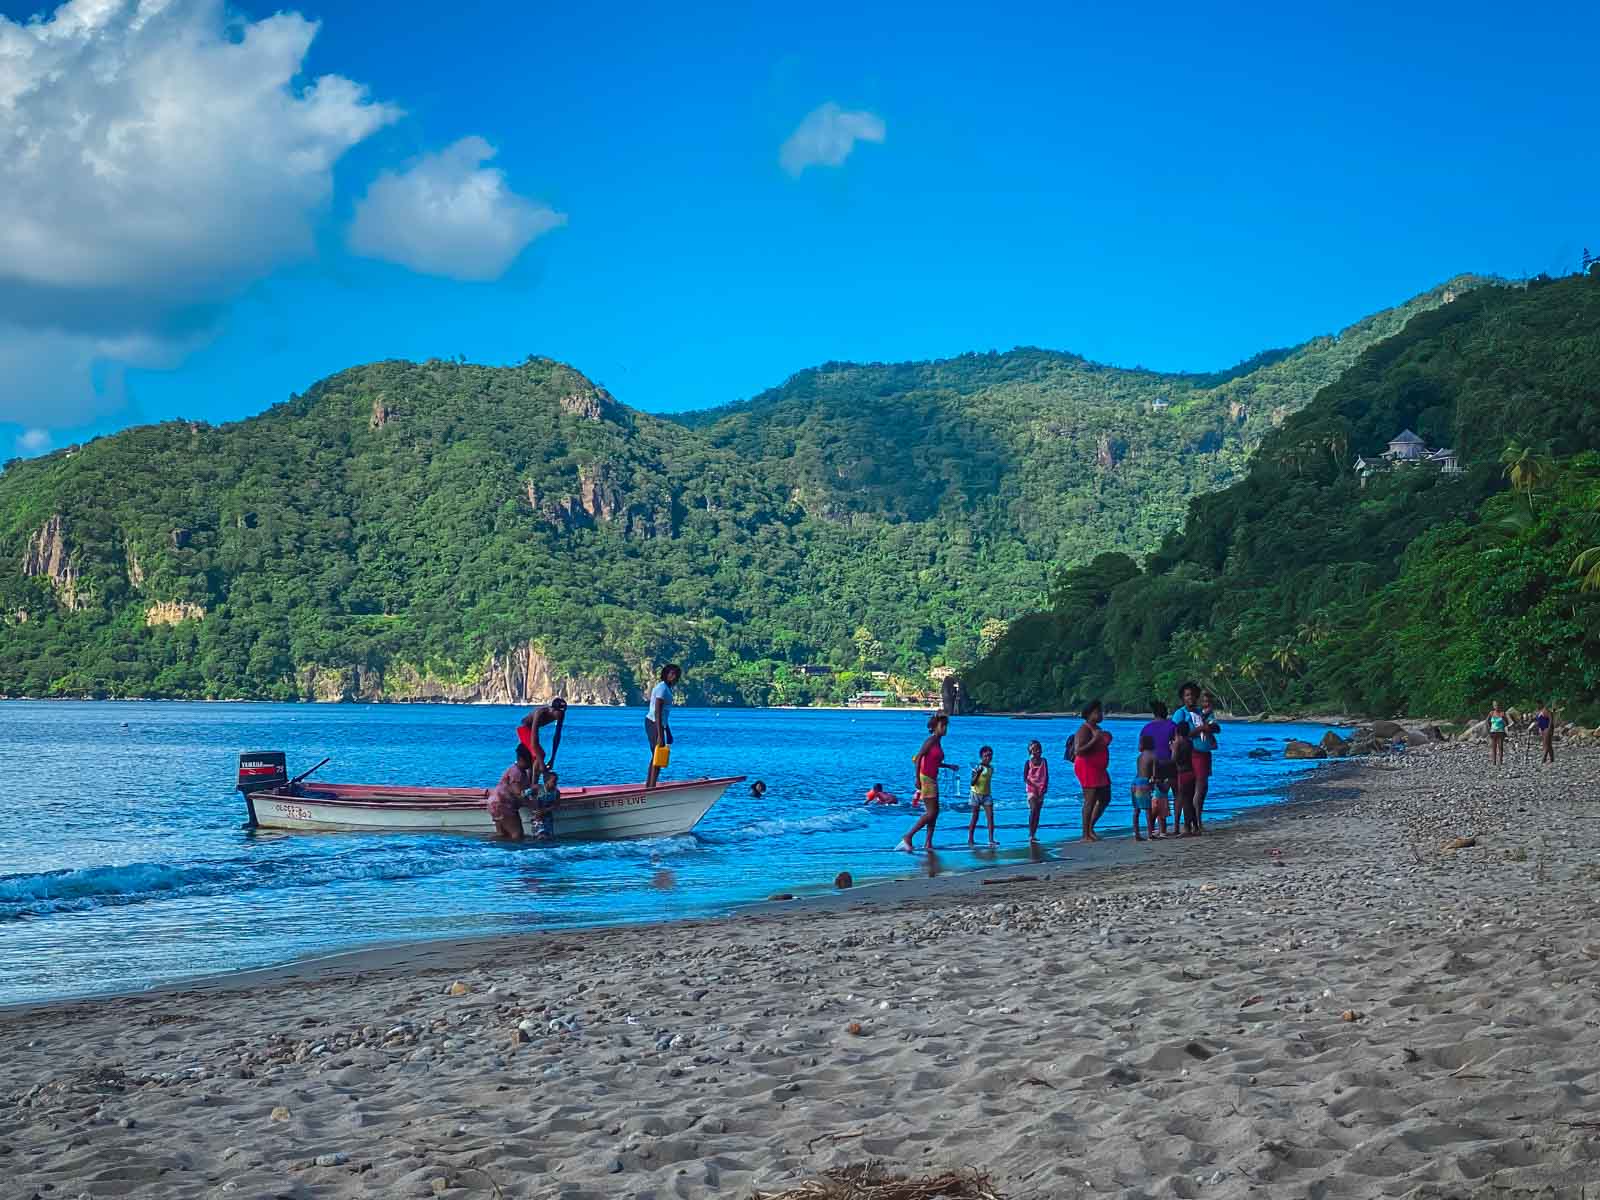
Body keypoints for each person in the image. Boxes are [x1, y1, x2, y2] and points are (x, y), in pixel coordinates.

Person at [898, 713, 959, 852]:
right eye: (942, 726)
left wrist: (949, 766)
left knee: (935, 812)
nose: (945, 729)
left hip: (932, 777)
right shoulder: (931, 741)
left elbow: (934, 761)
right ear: (935, 727)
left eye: (946, 726)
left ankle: (928, 843)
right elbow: (919, 758)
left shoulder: (937, 741)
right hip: (926, 778)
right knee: (931, 812)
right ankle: (908, 836)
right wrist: (917, 779)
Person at [1174, 684, 1221, 826]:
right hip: (1192, 754)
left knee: (1201, 788)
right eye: (1187, 695)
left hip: (1204, 752)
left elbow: (1216, 728)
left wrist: (1208, 726)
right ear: (1183, 698)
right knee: (1193, 790)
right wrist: (1201, 728)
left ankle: (1195, 821)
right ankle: (1194, 823)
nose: (1191, 698)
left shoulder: (1202, 712)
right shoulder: (1181, 713)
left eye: (1193, 695)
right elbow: (1179, 734)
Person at [1072, 700, 1112, 841]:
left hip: (1099, 768)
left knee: (1105, 797)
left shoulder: (1097, 728)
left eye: (1101, 711)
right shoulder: (1084, 729)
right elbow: (1078, 751)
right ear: (1089, 714)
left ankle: (1090, 827)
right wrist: (1095, 739)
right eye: (1097, 712)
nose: (1101, 714)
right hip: (1087, 766)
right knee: (1090, 799)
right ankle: (1085, 834)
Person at [1140, 701, 1178, 836]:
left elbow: (1141, 748)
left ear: (1154, 713)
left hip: (1151, 766)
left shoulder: (1146, 728)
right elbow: (1176, 744)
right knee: (1170, 796)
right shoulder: (1172, 726)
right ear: (1165, 712)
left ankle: (1154, 827)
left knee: (1157, 797)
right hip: (1169, 763)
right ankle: (1169, 827)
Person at [489, 744, 535, 841]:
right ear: (522, 759)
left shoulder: (517, 770)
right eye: (531, 761)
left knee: (502, 835)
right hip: (503, 805)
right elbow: (518, 794)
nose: (532, 763)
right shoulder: (516, 773)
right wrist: (533, 806)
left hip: (495, 803)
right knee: (517, 834)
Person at [646, 664, 681, 789]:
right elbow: (657, 711)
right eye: (671, 673)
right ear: (665, 674)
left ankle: (650, 786)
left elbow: (664, 714)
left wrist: (668, 732)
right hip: (653, 723)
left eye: (675, 674)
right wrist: (660, 735)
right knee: (658, 756)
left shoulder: (667, 688)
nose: (673, 676)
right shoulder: (662, 688)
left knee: (657, 757)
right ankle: (650, 787)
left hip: (660, 724)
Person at [517, 697, 568, 779]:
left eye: (563, 712)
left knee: (535, 759)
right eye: (559, 712)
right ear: (553, 709)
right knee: (540, 755)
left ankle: (531, 784)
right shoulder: (540, 713)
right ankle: (534, 786)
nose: (561, 714)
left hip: (531, 731)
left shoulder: (561, 714)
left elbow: (557, 737)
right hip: (524, 729)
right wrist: (542, 765)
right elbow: (534, 739)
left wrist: (552, 759)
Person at [1172, 724, 1200, 836]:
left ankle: (1188, 828)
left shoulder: (1178, 743)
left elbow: (1174, 759)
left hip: (1182, 773)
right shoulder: (1190, 742)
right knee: (1190, 800)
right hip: (1191, 772)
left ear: (1177, 733)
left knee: (1185, 801)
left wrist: (1172, 748)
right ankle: (1195, 826)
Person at [966, 745, 996, 845]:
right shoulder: (977, 767)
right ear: (981, 757)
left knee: (990, 816)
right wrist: (978, 773)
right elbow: (972, 782)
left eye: (990, 756)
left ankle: (991, 839)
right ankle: (970, 839)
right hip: (975, 794)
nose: (988, 758)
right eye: (986, 756)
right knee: (975, 816)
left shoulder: (991, 768)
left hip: (987, 794)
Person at [1023, 739, 1049, 842]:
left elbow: (1046, 775)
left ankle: (1034, 833)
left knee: (1038, 812)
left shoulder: (1044, 761)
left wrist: (1045, 787)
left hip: (1041, 788)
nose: (1037, 751)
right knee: (1033, 809)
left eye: (1039, 749)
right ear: (1030, 751)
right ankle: (1030, 833)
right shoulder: (1028, 763)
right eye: (1035, 749)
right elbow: (1025, 778)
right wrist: (1033, 786)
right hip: (1031, 788)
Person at [1132, 734, 1156, 841]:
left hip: (1135, 782)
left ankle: (1136, 834)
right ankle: (1150, 834)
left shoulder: (1139, 756)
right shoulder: (1153, 756)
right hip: (1145, 783)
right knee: (1148, 810)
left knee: (1136, 810)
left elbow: (1139, 771)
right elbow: (1154, 775)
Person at [531, 769, 561, 838]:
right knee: (539, 836)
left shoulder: (556, 792)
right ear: (547, 781)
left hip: (548, 817)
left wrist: (545, 810)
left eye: (556, 781)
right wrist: (533, 807)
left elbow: (557, 805)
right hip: (537, 817)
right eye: (553, 782)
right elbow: (524, 794)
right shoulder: (538, 788)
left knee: (548, 837)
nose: (555, 784)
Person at [1487, 701, 1508, 765]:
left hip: (1500, 732)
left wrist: (1503, 718)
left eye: (1498, 705)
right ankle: (1494, 762)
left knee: (1500, 747)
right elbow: (1487, 721)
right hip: (1493, 732)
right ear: (1493, 706)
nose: (1497, 707)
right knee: (1494, 747)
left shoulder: (1502, 713)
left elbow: (1507, 723)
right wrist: (1489, 729)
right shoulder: (1491, 713)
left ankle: (1501, 761)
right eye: (1495, 705)